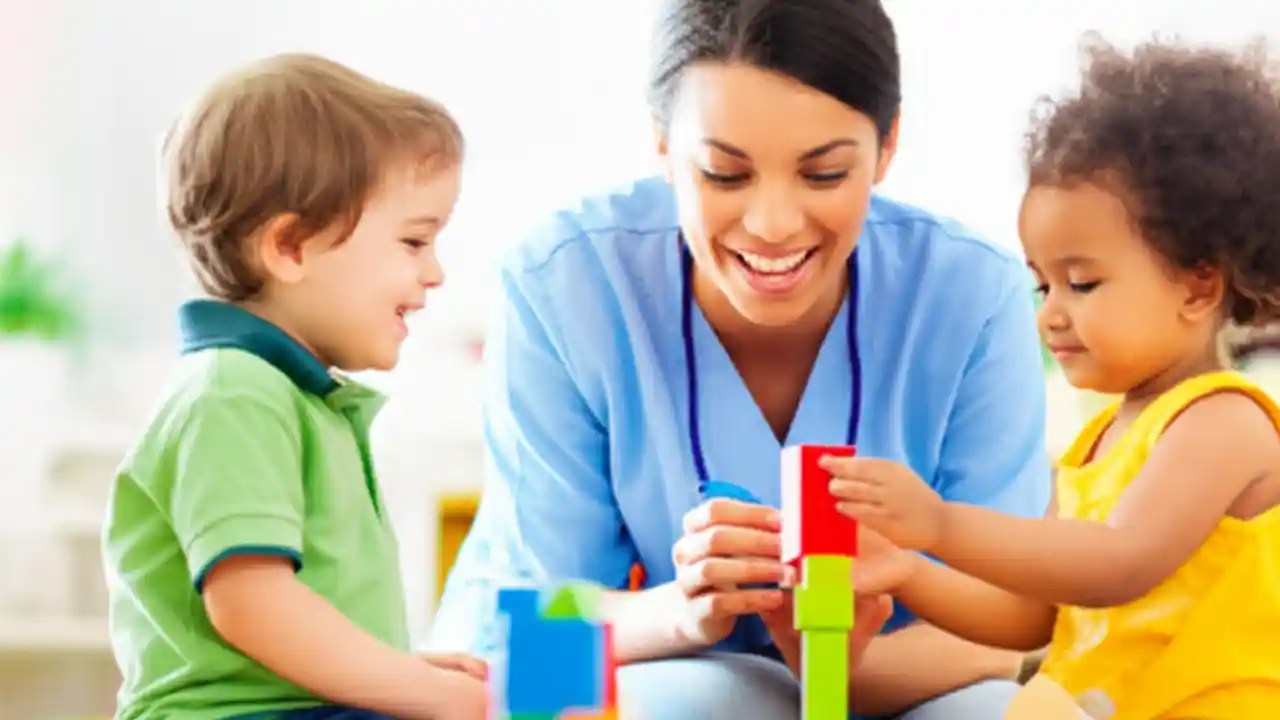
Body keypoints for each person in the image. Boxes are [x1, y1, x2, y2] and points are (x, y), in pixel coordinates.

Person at [430, 1, 1052, 717]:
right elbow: (543, 640)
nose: (773, 225)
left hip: (907, 682)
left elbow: (1004, 633)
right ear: (662, 144)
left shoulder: (973, 294)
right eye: (725, 174)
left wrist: (826, 665)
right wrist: (682, 613)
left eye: (824, 175)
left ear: (888, 145)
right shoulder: (564, 286)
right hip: (660, 670)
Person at [827, 36, 1280, 719]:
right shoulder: (1095, 443)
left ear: (1198, 285)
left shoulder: (1223, 421)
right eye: (1042, 288)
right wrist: (909, 569)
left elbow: (1118, 562)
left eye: (1083, 283)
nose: (1051, 317)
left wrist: (939, 524)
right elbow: (1032, 618)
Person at [103, 53, 489, 720]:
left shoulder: (289, 396)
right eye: (413, 241)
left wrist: (403, 668)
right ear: (291, 247)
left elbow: (301, 624)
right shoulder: (232, 392)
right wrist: (432, 696)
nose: (435, 274)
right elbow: (255, 609)